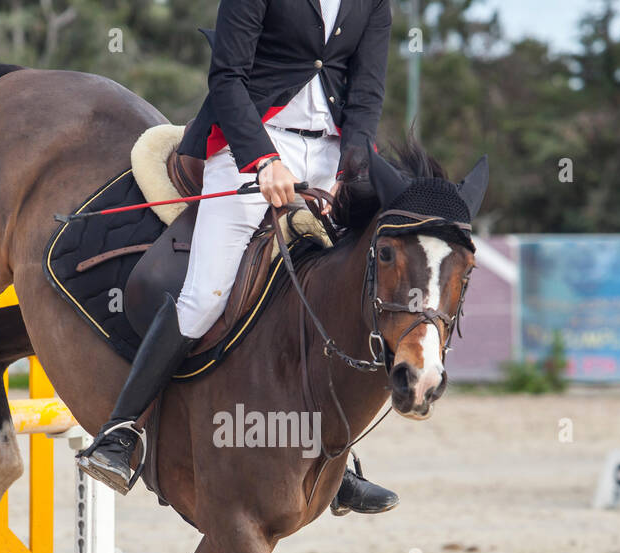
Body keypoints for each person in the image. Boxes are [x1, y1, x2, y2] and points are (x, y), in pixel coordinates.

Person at [77, 0, 400, 516]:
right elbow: (227, 78)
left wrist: (353, 168)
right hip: (255, 141)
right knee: (206, 293)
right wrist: (262, 159)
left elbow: (367, 93)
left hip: (334, 155)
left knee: (341, 293)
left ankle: (338, 461)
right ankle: (119, 433)